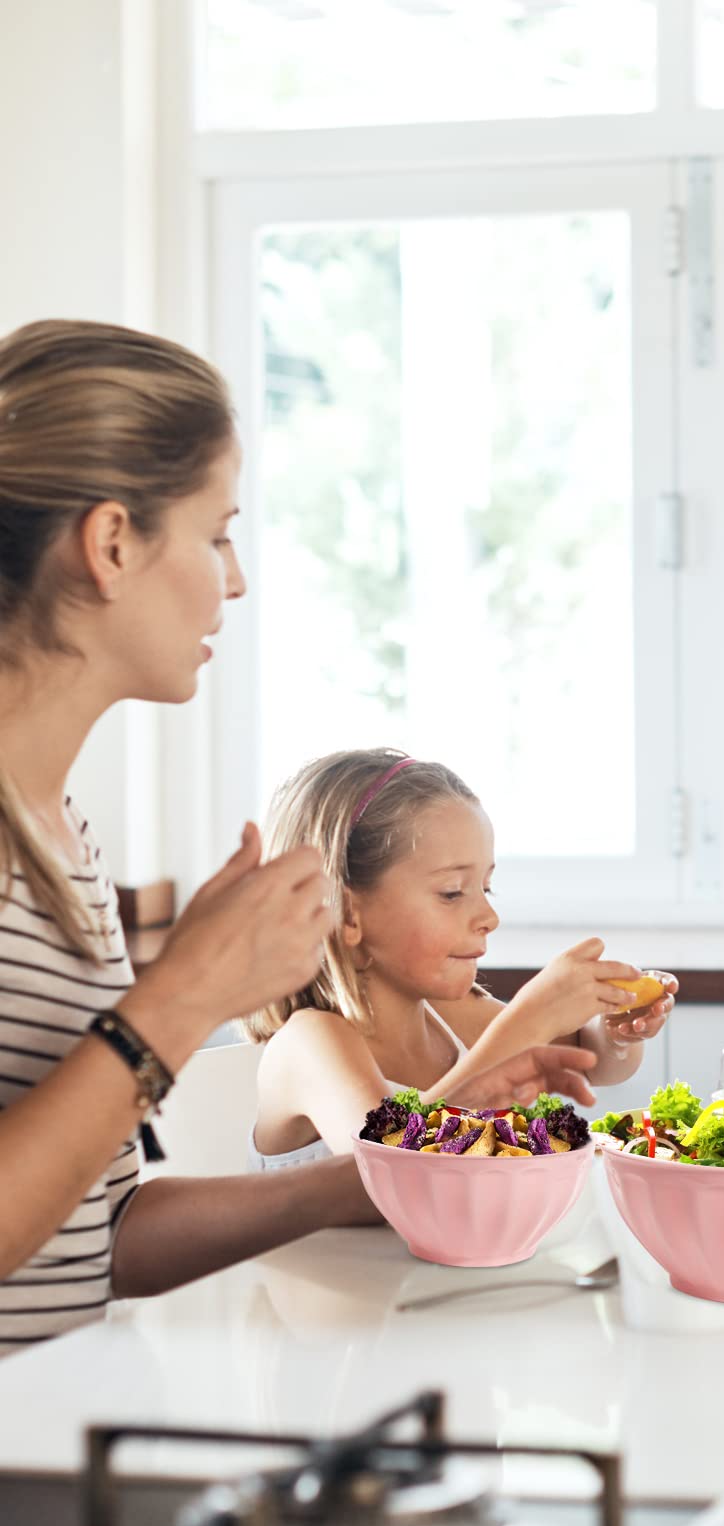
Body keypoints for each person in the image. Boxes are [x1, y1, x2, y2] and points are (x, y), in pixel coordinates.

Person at [0, 319, 592, 1353]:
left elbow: (101, 1235)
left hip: (66, 1423)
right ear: (111, 544)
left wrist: (371, 1179)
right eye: (216, 532)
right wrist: (182, 997)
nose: (233, 579)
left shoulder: (59, 837)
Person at [246, 748, 674, 1164]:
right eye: (452, 892)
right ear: (348, 912)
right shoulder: (309, 1043)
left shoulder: (450, 1018)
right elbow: (392, 1162)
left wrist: (615, 1032)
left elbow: (591, 1061)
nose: (489, 916)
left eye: (485, 888)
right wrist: (528, 1020)